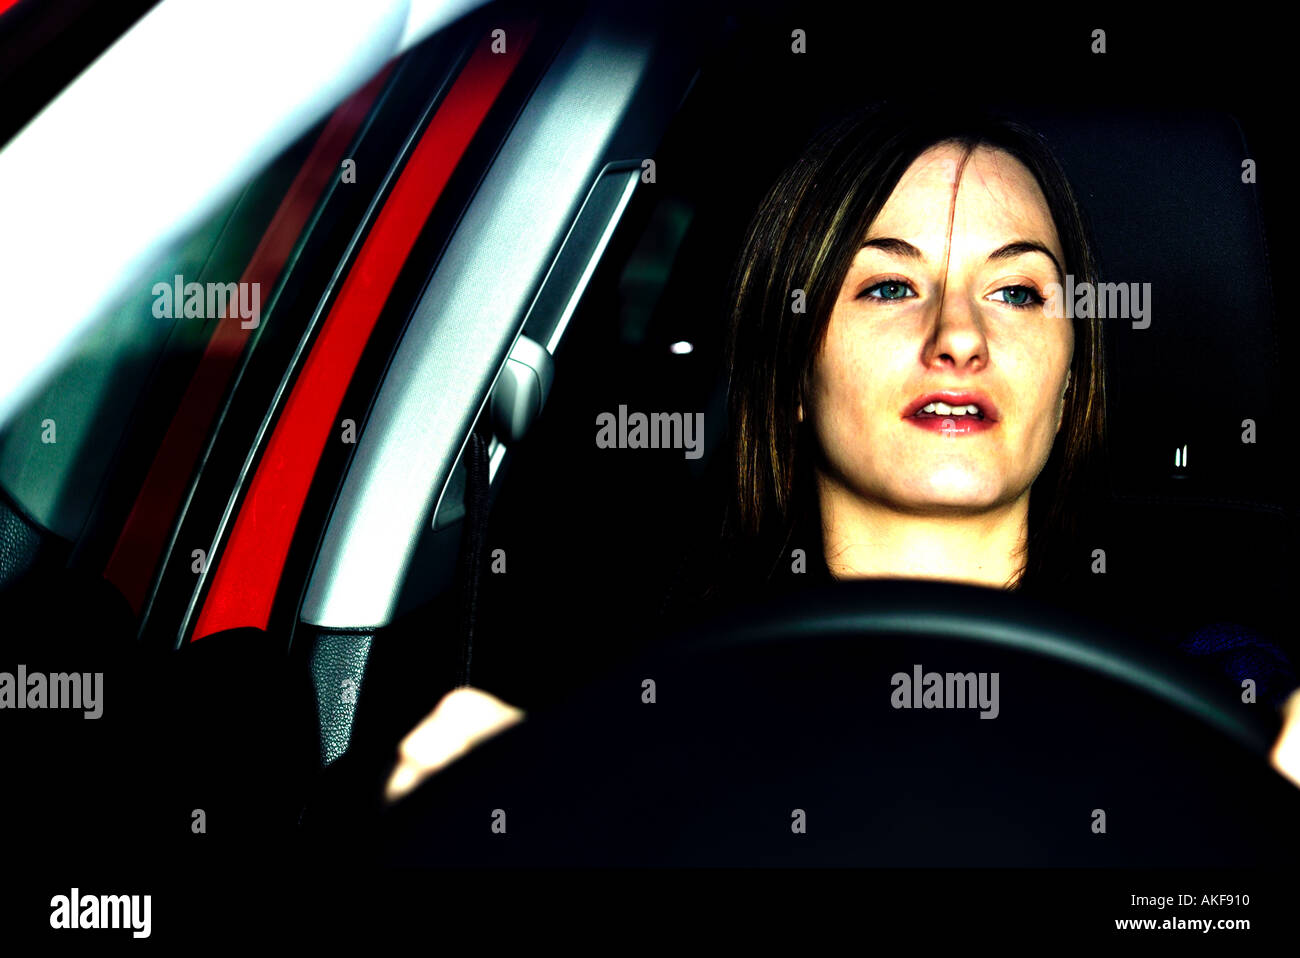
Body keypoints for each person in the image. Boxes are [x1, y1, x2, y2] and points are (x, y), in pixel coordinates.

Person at [382, 104, 1300, 801]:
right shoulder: (634, 721)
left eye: (1017, 293)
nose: (959, 337)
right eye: (890, 285)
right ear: (789, 369)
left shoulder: (1224, 701)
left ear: (1069, 382)